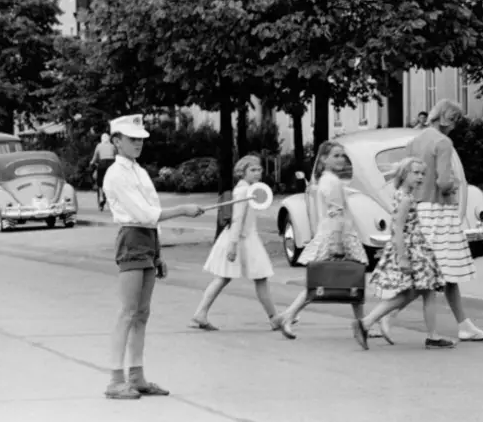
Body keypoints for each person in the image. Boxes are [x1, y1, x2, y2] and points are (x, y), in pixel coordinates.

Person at [103, 114, 205, 400]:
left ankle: (136, 376)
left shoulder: (139, 170)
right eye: (132, 139)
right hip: (132, 237)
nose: (138, 144)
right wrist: (183, 209)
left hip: (148, 239)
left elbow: (152, 213)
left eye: (141, 139)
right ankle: (115, 380)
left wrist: (158, 253)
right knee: (128, 312)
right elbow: (143, 215)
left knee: (142, 314)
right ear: (116, 141)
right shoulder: (116, 173)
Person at [404, 99, 483, 341]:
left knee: (439, 272)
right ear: (445, 118)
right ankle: (377, 319)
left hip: (420, 208)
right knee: (439, 272)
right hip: (439, 211)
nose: (454, 126)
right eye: (453, 120)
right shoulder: (443, 143)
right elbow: (444, 182)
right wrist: (453, 184)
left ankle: (464, 323)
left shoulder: (415, 141)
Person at [352, 157, 453, 350]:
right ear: (404, 175)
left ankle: (368, 323)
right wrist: (402, 256)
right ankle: (366, 323)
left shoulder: (403, 195)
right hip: (412, 249)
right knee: (414, 293)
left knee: (423, 292)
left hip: (415, 248)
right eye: (415, 173)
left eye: (423, 173)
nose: (420, 177)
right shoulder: (405, 198)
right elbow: (398, 228)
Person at [274, 141, 368, 339]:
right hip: (338, 234)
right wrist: (337, 243)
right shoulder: (331, 182)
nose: (341, 159)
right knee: (321, 281)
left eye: (343, 155)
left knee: (351, 279)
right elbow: (336, 213)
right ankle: (289, 315)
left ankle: (364, 324)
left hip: (337, 232)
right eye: (335, 155)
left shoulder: (327, 179)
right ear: (324, 159)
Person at [190, 155, 279, 331]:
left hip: (245, 238)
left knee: (241, 277)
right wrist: (233, 245)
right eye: (252, 170)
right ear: (242, 172)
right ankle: (274, 317)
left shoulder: (249, 190)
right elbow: (237, 219)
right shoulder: (243, 191)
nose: (257, 173)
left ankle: (201, 313)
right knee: (232, 277)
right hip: (241, 239)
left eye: (259, 169)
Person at [90, 133, 117, 210]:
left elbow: (95, 157)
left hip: (102, 164)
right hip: (112, 164)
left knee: (100, 182)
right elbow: (116, 156)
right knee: (112, 182)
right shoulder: (112, 146)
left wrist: (91, 162)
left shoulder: (99, 146)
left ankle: (101, 197)